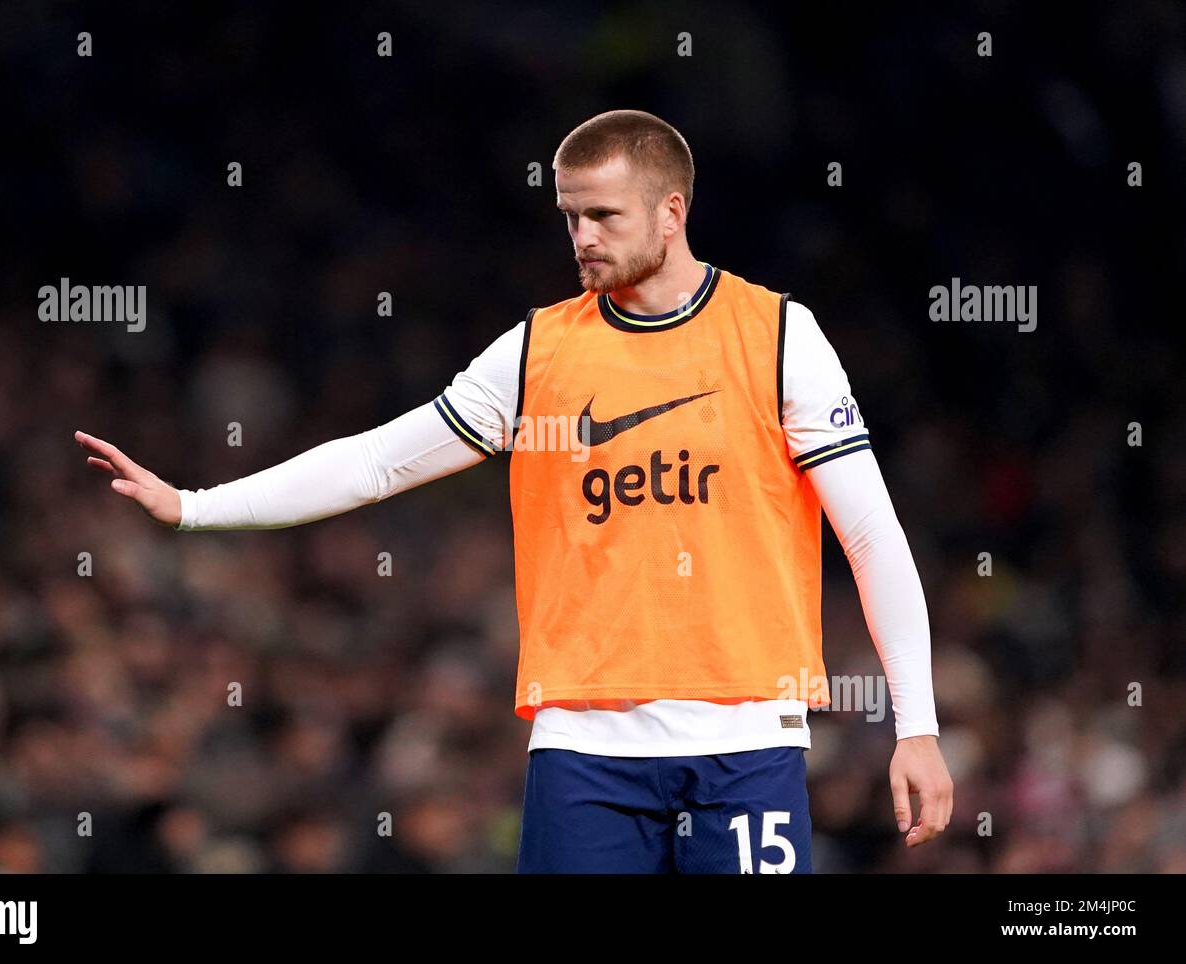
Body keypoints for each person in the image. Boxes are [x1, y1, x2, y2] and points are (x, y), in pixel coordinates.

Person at [76, 109, 953, 873]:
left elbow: (871, 539)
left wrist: (916, 726)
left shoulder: (778, 338)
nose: (583, 239)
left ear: (671, 211)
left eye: (603, 216)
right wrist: (194, 505)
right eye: (570, 217)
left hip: (749, 742)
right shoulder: (536, 353)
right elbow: (380, 461)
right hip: (583, 752)